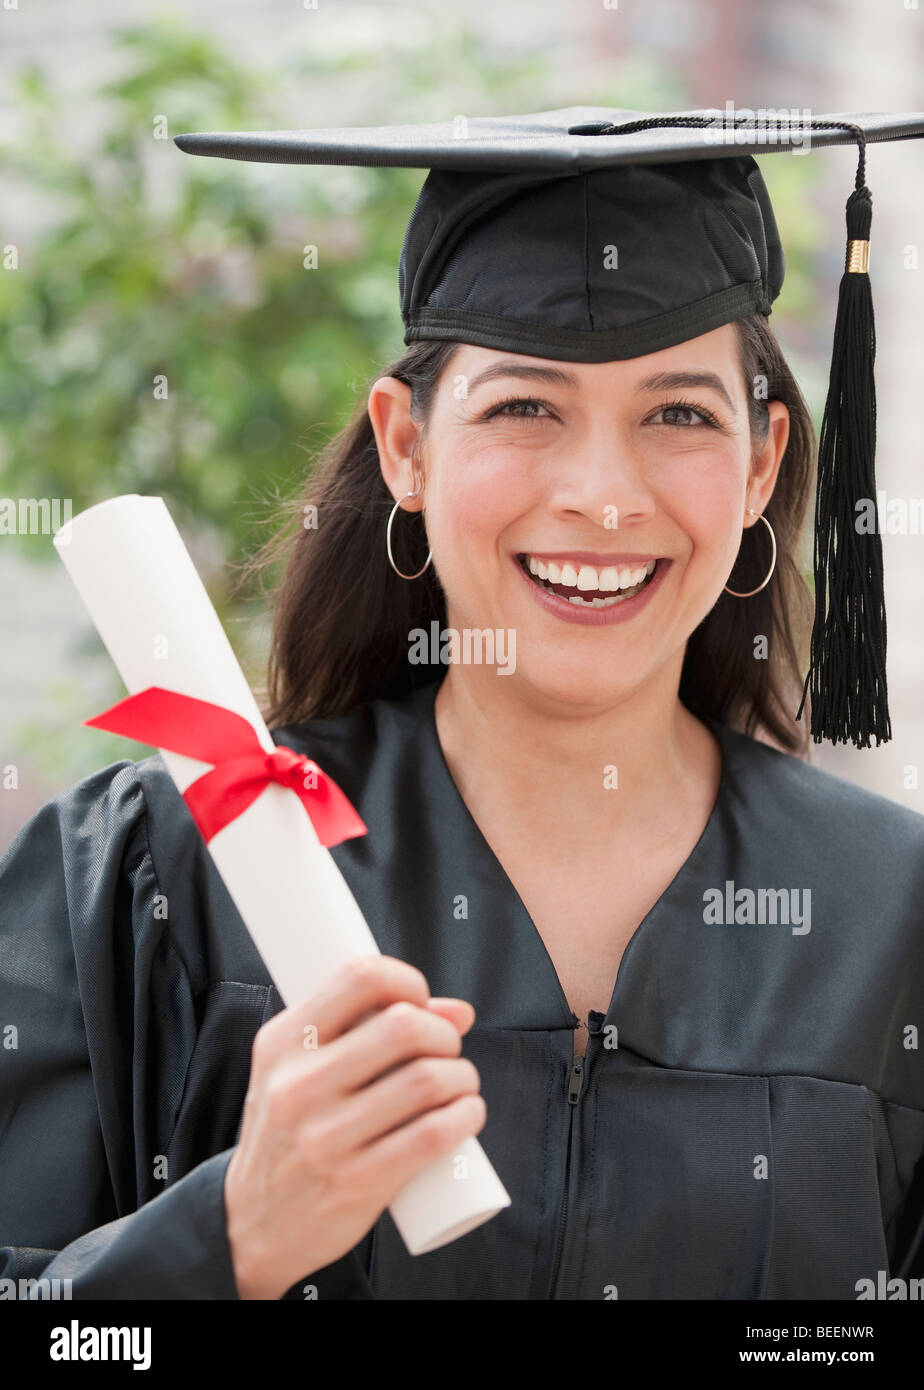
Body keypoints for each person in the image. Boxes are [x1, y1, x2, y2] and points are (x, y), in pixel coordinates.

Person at [2, 106, 923, 1301]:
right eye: (524, 407)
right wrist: (225, 1238)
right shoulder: (157, 876)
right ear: (406, 447)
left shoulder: (892, 921)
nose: (602, 496)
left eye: (679, 412)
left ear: (760, 464)